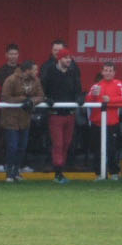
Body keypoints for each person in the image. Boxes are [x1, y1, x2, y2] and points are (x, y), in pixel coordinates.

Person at [41, 45, 82, 182]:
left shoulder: (73, 72)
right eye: (66, 57)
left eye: (69, 57)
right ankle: (58, 172)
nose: (68, 60)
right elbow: (42, 90)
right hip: (56, 114)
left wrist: (79, 98)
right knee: (58, 144)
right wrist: (47, 99)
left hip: (70, 114)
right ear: (59, 59)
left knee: (66, 143)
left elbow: (78, 90)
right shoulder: (50, 72)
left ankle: (60, 170)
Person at [0, 60, 45, 181]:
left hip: (25, 119)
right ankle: (9, 173)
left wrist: (31, 101)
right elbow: (4, 97)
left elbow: (41, 96)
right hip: (10, 119)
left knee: (22, 147)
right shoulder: (11, 79)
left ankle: (16, 171)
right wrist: (22, 100)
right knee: (12, 146)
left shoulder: (36, 80)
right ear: (27, 70)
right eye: (34, 70)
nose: (36, 72)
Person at [86, 63, 122, 178]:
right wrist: (94, 96)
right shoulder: (96, 86)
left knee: (112, 149)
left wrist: (111, 100)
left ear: (114, 73)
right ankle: (99, 174)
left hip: (111, 124)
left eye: (110, 70)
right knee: (97, 150)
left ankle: (114, 173)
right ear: (102, 72)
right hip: (97, 124)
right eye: (106, 70)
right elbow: (88, 101)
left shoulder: (119, 84)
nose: (108, 73)